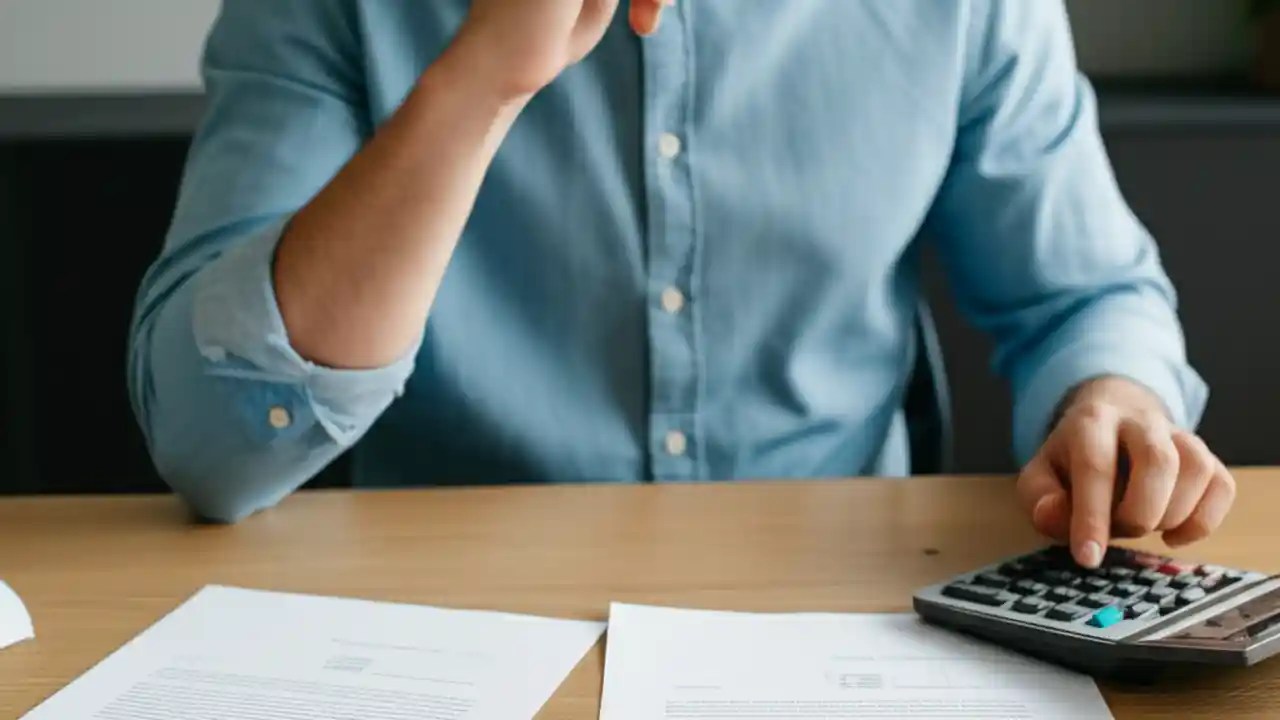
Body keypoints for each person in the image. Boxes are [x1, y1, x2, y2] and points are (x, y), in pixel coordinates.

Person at [128, 0, 1234, 568]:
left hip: (843, 618)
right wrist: (482, 79)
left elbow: (1085, 301)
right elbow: (217, 447)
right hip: (452, 631)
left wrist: (1113, 401)